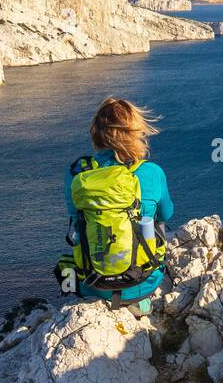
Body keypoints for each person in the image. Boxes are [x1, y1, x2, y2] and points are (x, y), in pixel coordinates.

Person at [56, 98, 174, 316]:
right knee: (155, 220)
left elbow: (74, 218)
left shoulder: (76, 173)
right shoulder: (152, 172)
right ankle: (138, 299)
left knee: (76, 240)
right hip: (144, 282)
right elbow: (167, 213)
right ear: (135, 134)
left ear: (96, 133)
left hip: (92, 282)